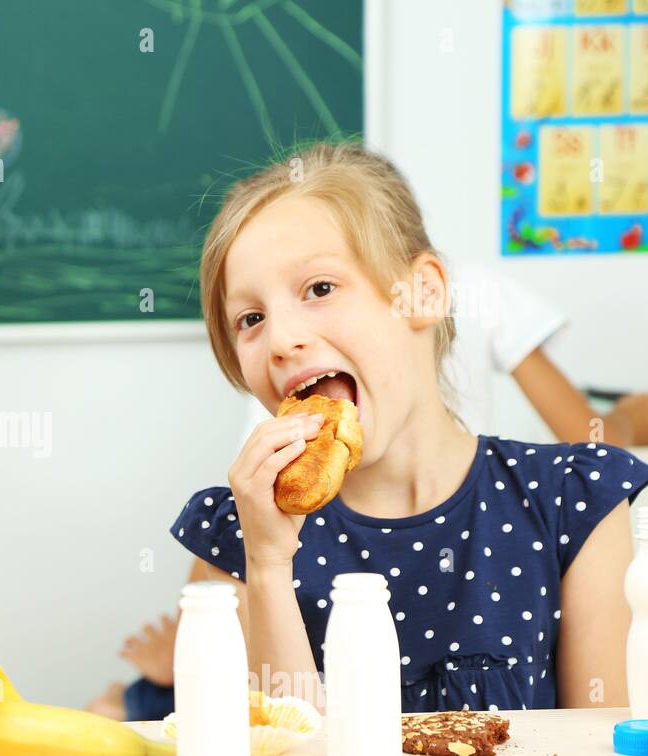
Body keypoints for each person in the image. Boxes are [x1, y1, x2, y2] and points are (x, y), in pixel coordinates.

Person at [96, 141, 646, 720]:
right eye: (251, 319)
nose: (282, 340)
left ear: (423, 293)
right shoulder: (243, 534)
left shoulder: (570, 501)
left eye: (319, 289)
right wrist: (269, 566)